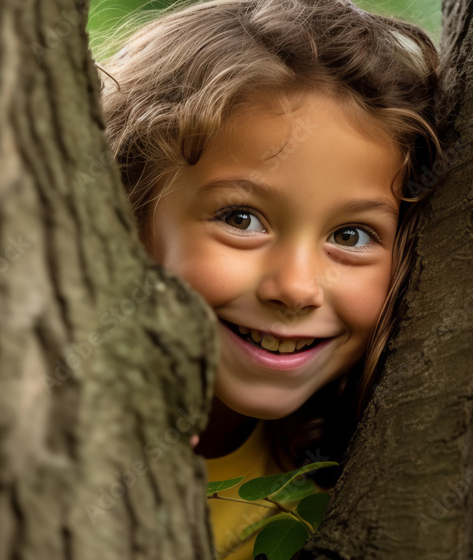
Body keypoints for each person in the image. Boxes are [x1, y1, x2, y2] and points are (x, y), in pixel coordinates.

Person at [96, 0, 446, 557]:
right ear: (123, 219)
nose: (296, 288)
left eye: (351, 236)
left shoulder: (343, 479)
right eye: (241, 219)